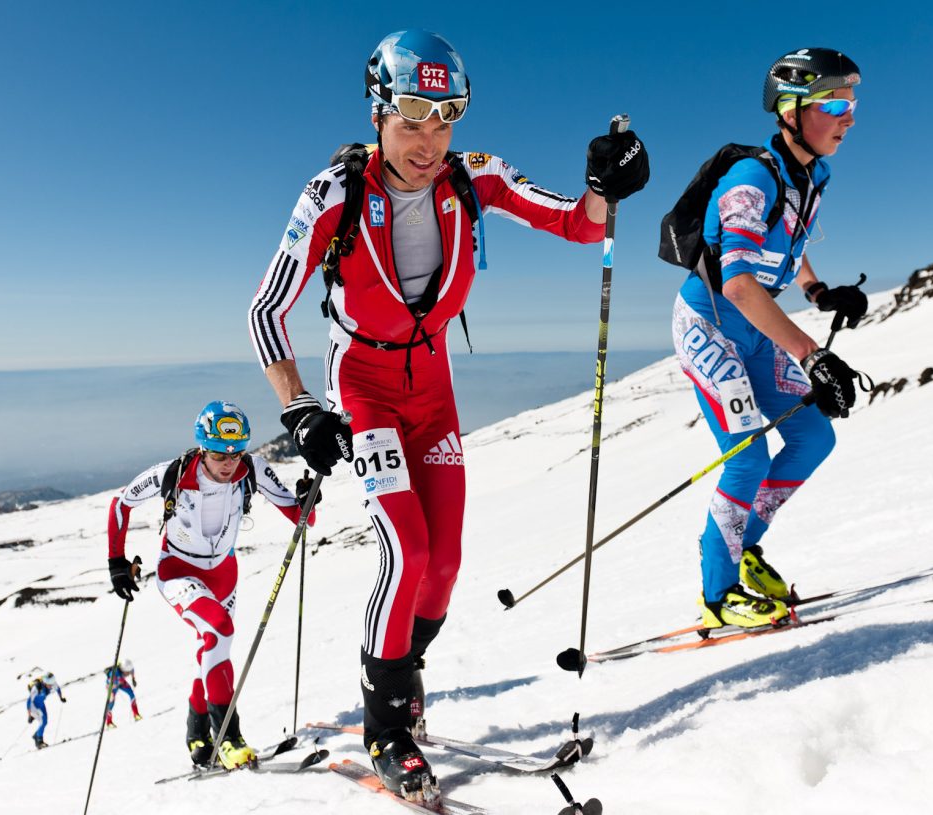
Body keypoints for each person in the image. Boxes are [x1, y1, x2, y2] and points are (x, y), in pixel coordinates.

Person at [248, 29, 648, 801]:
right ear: (378, 111)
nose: (430, 139)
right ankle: (386, 726)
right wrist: (300, 409)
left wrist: (606, 183)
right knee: (404, 549)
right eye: (411, 117)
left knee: (446, 561)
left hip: (432, 389)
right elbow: (267, 309)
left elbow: (580, 222)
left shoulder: (474, 177)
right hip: (361, 384)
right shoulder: (333, 195)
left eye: (446, 118)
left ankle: (405, 670)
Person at [669, 48, 868, 629]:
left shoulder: (811, 173)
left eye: (851, 103)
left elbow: (792, 237)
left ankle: (741, 546)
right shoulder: (751, 179)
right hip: (710, 327)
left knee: (812, 437)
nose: (848, 117)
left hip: (754, 333)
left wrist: (817, 291)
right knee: (747, 457)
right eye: (834, 103)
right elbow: (736, 283)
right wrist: (814, 353)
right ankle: (719, 592)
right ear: (790, 110)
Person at [105, 401, 316, 769]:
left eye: (236, 452)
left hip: (224, 573)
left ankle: (198, 734)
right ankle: (228, 739)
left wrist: (307, 498)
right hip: (178, 572)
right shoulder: (171, 473)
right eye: (220, 453)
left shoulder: (253, 470)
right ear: (203, 448)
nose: (229, 462)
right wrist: (116, 563)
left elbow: (302, 519)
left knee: (214, 650)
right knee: (219, 629)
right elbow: (121, 505)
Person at [26, 671, 66, 749]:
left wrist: (61, 698)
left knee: (45, 722)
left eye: (52, 683)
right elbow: (29, 701)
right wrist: (29, 715)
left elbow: (58, 689)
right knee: (43, 722)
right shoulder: (37, 687)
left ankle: (37, 735)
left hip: (41, 705)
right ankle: (39, 741)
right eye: (49, 684)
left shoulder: (52, 684)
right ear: (44, 683)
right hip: (34, 706)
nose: (51, 686)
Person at [103, 658, 142, 728]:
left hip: (121, 683)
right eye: (127, 673)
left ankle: (136, 714)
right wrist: (110, 692)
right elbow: (108, 685)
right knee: (111, 702)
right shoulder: (114, 674)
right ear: (123, 670)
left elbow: (132, 670)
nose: (128, 674)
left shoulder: (128, 669)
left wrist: (133, 679)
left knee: (132, 694)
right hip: (113, 686)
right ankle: (109, 723)